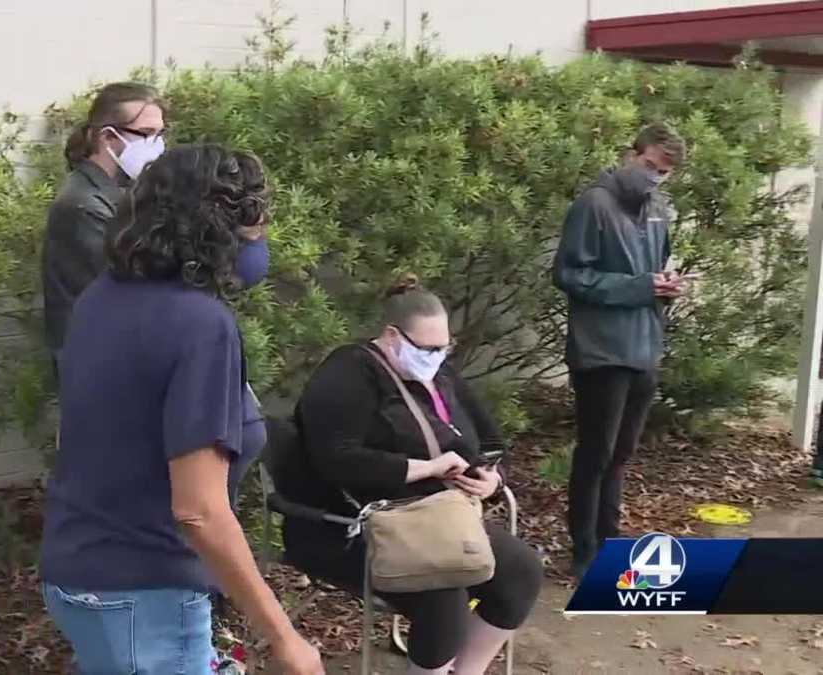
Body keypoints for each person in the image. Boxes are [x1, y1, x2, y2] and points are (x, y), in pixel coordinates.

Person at [39, 144, 321, 675]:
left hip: (80, 574)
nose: (262, 240)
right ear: (221, 229)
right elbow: (199, 511)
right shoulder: (200, 326)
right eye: (256, 225)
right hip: (144, 595)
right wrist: (285, 639)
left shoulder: (101, 297)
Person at [282, 277, 542, 675]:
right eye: (428, 349)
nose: (437, 357)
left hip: (435, 517)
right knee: (444, 593)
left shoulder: (440, 375)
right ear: (392, 336)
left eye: (444, 348)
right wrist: (428, 468)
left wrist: (493, 479)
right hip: (350, 526)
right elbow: (337, 459)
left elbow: (490, 441)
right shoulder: (346, 374)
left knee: (521, 570)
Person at [552, 122, 688, 578]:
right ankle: (583, 550)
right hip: (601, 351)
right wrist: (638, 287)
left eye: (663, 173)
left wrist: (666, 286)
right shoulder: (593, 204)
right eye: (649, 165)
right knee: (596, 453)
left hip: (645, 348)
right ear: (631, 154)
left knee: (622, 455)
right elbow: (569, 275)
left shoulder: (658, 208)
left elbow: (655, 271)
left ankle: (610, 545)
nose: (653, 177)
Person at [41, 82, 167, 371]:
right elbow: (133, 284)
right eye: (146, 134)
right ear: (108, 137)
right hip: (98, 362)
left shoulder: (122, 190)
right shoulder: (83, 205)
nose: (156, 145)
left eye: (160, 134)